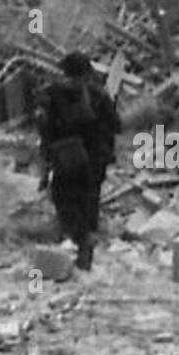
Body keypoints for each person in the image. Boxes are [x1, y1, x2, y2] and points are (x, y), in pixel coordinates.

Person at [39, 51, 119, 270]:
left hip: (66, 157)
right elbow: (115, 125)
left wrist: (46, 161)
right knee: (89, 201)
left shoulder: (52, 94)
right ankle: (86, 250)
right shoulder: (99, 95)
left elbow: (45, 128)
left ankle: (81, 237)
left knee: (63, 199)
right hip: (95, 158)